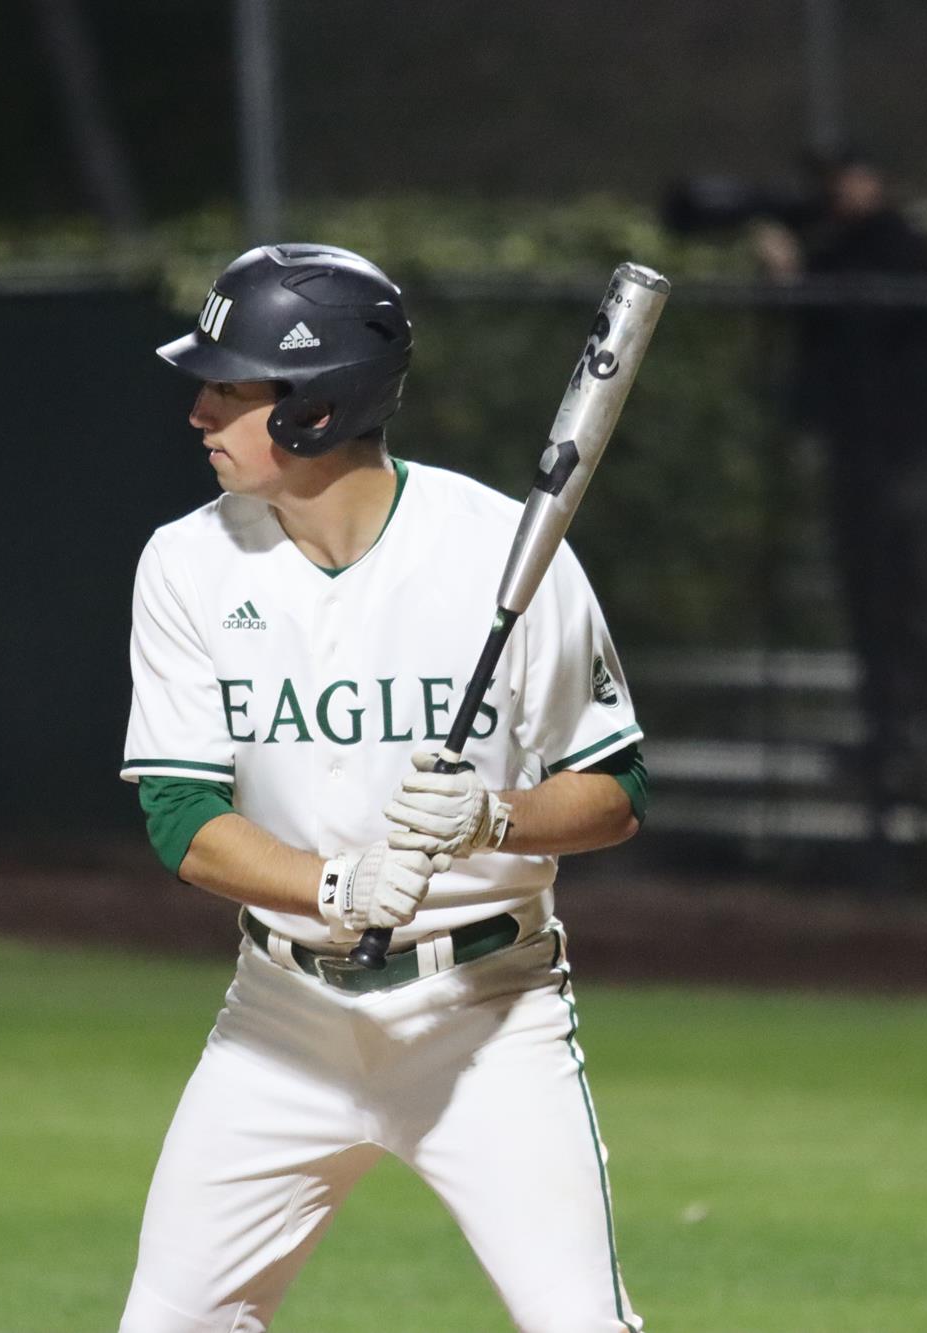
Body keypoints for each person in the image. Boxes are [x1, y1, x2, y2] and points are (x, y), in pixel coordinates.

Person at [117, 242, 648, 1332]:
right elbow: (182, 820)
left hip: (485, 1018)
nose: (198, 413)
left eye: (230, 387)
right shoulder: (185, 563)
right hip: (280, 1021)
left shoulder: (502, 547)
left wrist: (495, 816)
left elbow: (614, 790)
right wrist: (336, 886)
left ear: (314, 408)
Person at [754, 148, 927, 845]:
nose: (844, 191)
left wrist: (799, 276)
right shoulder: (838, 247)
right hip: (855, 457)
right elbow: (816, 352)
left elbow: (873, 330)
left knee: (917, 588)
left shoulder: (903, 246)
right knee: (868, 596)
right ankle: (887, 729)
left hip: (906, 450)